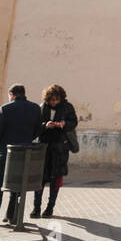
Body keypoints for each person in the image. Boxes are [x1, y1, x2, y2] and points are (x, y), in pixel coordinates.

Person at [0, 84, 43, 226]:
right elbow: (38, 130)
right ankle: (12, 216)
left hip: (5, 152)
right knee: (18, 186)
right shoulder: (35, 108)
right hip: (25, 153)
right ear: (24, 93)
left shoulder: (5, 108)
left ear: (12, 94)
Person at [34, 84, 78, 218]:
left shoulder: (67, 107)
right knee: (40, 178)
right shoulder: (42, 108)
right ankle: (36, 208)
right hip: (44, 147)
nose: (54, 102)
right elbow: (36, 126)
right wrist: (45, 126)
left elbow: (74, 122)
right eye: (51, 100)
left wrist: (64, 124)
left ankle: (50, 208)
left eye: (56, 99)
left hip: (60, 148)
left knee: (55, 177)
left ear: (61, 98)